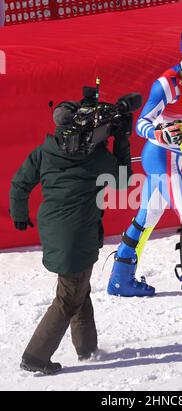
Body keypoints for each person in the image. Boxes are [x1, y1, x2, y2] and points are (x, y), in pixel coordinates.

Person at [9, 89, 133, 374]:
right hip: (76, 236)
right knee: (68, 299)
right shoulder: (96, 159)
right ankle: (35, 357)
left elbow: (19, 184)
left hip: (53, 229)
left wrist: (18, 213)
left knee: (79, 288)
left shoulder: (46, 150)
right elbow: (124, 182)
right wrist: (122, 141)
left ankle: (87, 349)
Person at [107, 23, 182, 312]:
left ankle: (121, 279)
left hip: (173, 156)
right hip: (160, 156)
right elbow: (142, 123)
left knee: (149, 214)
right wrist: (161, 134)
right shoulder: (167, 83)